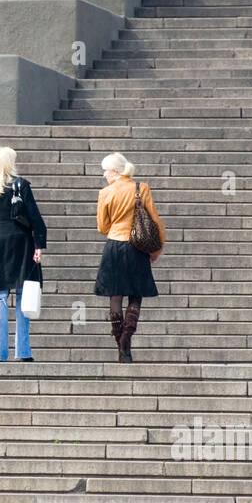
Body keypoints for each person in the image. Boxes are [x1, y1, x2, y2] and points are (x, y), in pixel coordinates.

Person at [0, 146, 47, 362]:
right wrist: (39, 244)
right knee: (25, 295)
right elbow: (34, 217)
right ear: (9, 163)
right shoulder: (21, 185)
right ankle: (23, 352)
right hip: (22, 242)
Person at [95, 153, 165, 363]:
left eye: (106, 170)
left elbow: (102, 227)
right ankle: (127, 337)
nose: (105, 174)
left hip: (114, 246)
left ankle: (121, 347)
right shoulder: (140, 188)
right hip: (137, 248)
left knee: (115, 296)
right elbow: (155, 220)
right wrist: (157, 249)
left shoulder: (105, 192)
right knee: (136, 295)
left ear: (115, 171)